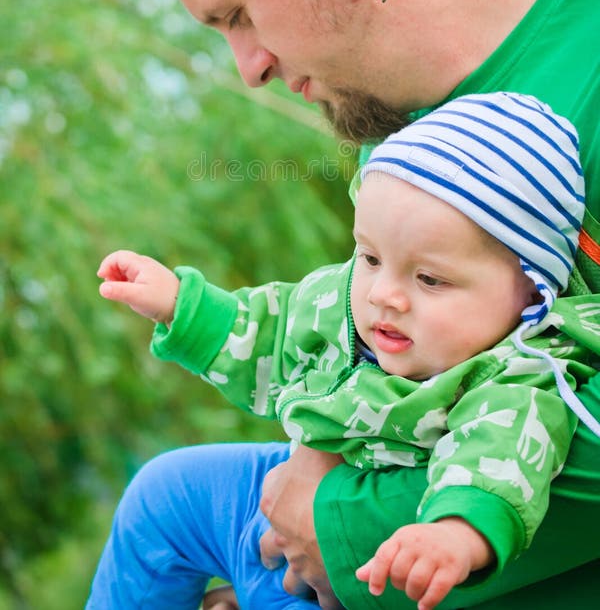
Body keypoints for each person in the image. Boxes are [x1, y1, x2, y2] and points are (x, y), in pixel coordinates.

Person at [88, 0, 600, 610]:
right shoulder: (392, 135)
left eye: (238, 15)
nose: (247, 67)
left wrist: (338, 521)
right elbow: (367, 364)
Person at [93, 92, 600, 610]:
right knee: (165, 495)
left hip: (367, 565)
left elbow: (499, 464)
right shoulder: (345, 303)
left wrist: (451, 535)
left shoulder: (513, 381)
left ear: (532, 293)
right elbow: (273, 327)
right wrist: (182, 307)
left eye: (429, 278)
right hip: (277, 494)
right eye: (371, 256)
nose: (384, 294)